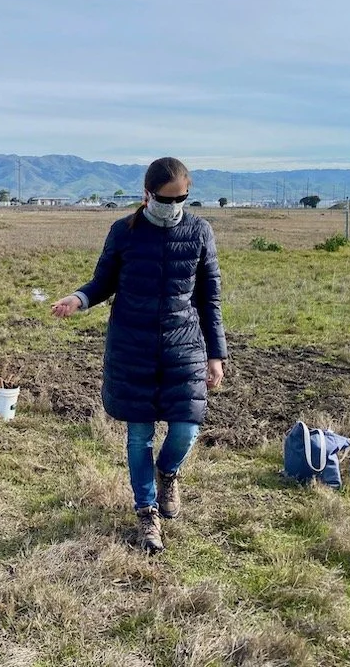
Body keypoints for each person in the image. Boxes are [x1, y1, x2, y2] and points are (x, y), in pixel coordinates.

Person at [51, 157, 226, 553]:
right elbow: (103, 281)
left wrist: (216, 355)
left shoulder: (200, 231)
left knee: (186, 427)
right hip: (132, 345)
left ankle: (169, 472)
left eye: (182, 197)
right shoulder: (124, 231)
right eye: (167, 198)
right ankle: (146, 512)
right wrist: (79, 299)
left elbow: (209, 297)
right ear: (147, 194)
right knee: (139, 435)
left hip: (183, 345)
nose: (175, 204)